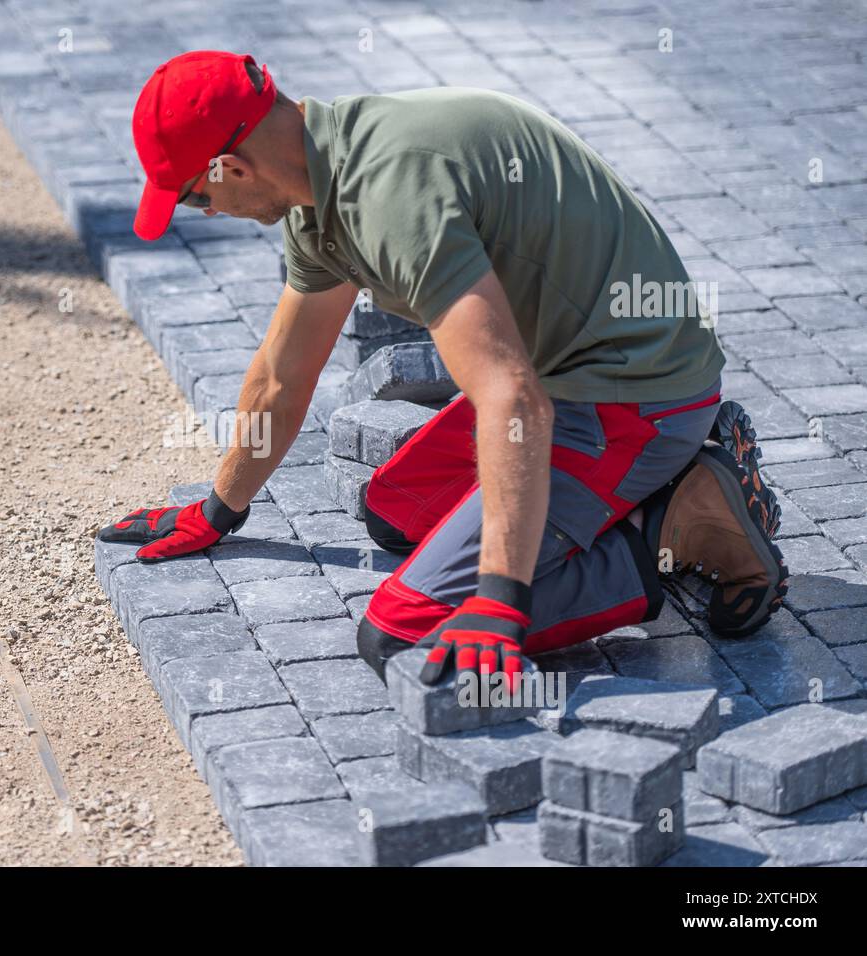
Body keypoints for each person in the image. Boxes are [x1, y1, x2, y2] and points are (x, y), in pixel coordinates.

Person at [100, 50, 786, 689]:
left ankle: (678, 522)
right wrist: (221, 509)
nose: (209, 212)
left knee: (403, 636)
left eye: (196, 198)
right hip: (557, 374)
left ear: (233, 169)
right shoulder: (324, 181)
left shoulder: (391, 197)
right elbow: (283, 372)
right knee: (395, 514)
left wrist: (499, 595)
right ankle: (653, 489)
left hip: (632, 394)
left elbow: (512, 400)